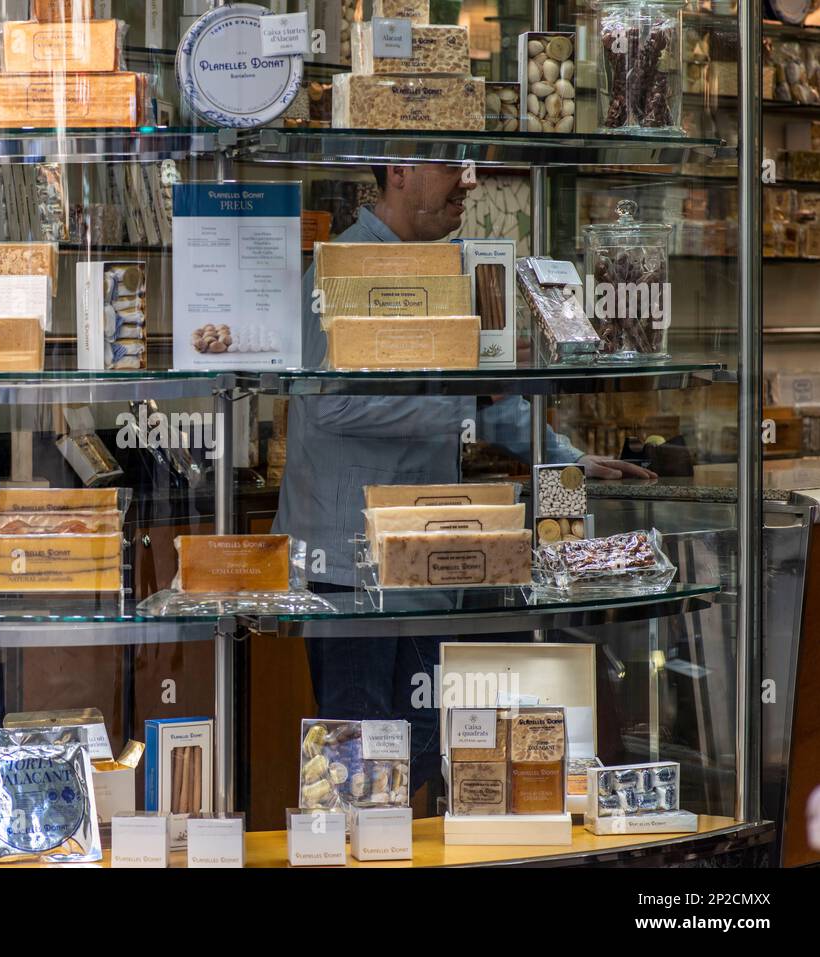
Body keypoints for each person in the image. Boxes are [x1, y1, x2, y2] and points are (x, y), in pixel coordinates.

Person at [272, 164, 655, 807]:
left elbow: (490, 398)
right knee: (358, 757)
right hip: (347, 561)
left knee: (427, 740)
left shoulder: (452, 268)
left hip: (428, 554)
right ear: (400, 172)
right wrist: (466, 398)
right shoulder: (340, 269)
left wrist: (562, 459)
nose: (469, 183)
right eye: (452, 167)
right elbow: (329, 406)